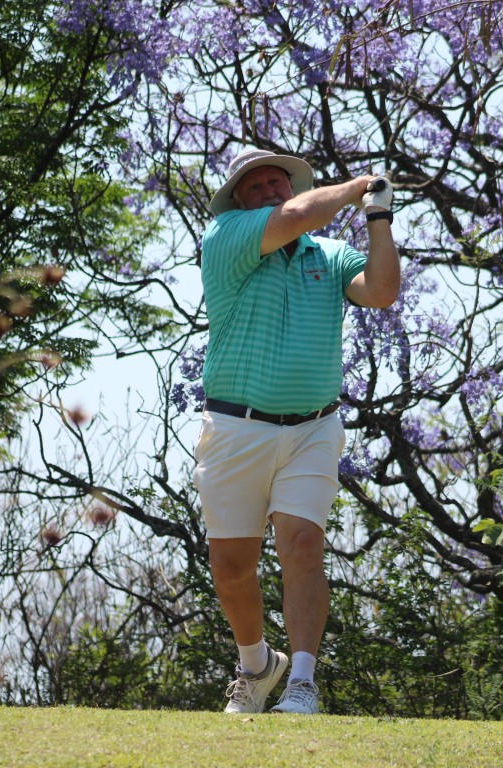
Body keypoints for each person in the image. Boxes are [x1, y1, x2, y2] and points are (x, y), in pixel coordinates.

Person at [194, 148, 399, 715]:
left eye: (276, 182)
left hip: (313, 426)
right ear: (239, 203)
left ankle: (303, 682)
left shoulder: (329, 255)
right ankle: (258, 665)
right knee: (232, 567)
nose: (268, 191)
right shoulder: (227, 236)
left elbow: (381, 291)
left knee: (303, 545)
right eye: (255, 186)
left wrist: (378, 217)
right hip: (237, 426)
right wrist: (360, 184)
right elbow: (295, 218)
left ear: (291, 186)